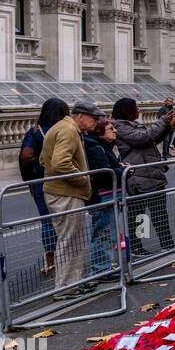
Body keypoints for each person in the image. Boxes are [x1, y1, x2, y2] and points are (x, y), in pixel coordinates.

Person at [40, 101, 103, 293]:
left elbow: (44, 159)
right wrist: (83, 179)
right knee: (69, 240)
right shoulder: (68, 130)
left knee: (75, 240)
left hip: (64, 192)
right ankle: (64, 288)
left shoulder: (64, 128)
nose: (97, 123)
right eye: (94, 118)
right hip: (65, 193)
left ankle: (73, 283)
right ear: (81, 116)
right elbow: (60, 163)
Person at [112, 97, 175, 256]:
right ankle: (137, 247)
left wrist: (168, 127)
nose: (139, 110)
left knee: (159, 212)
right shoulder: (120, 127)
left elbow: (152, 139)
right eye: (136, 107)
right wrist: (162, 121)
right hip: (138, 176)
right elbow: (143, 138)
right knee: (139, 214)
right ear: (127, 110)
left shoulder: (132, 125)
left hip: (151, 173)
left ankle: (167, 243)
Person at [20, 98, 70, 277]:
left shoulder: (35, 132)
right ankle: (66, 257)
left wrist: (32, 178)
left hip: (41, 182)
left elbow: (26, 156)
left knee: (47, 220)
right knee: (66, 220)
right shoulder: (65, 130)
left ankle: (51, 260)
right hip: (64, 180)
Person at [82, 118, 125, 276]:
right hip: (102, 198)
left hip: (108, 197)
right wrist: (124, 171)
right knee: (104, 235)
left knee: (110, 235)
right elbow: (105, 175)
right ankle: (101, 270)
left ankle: (105, 266)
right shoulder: (96, 148)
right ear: (100, 132)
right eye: (110, 128)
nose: (114, 131)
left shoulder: (102, 147)